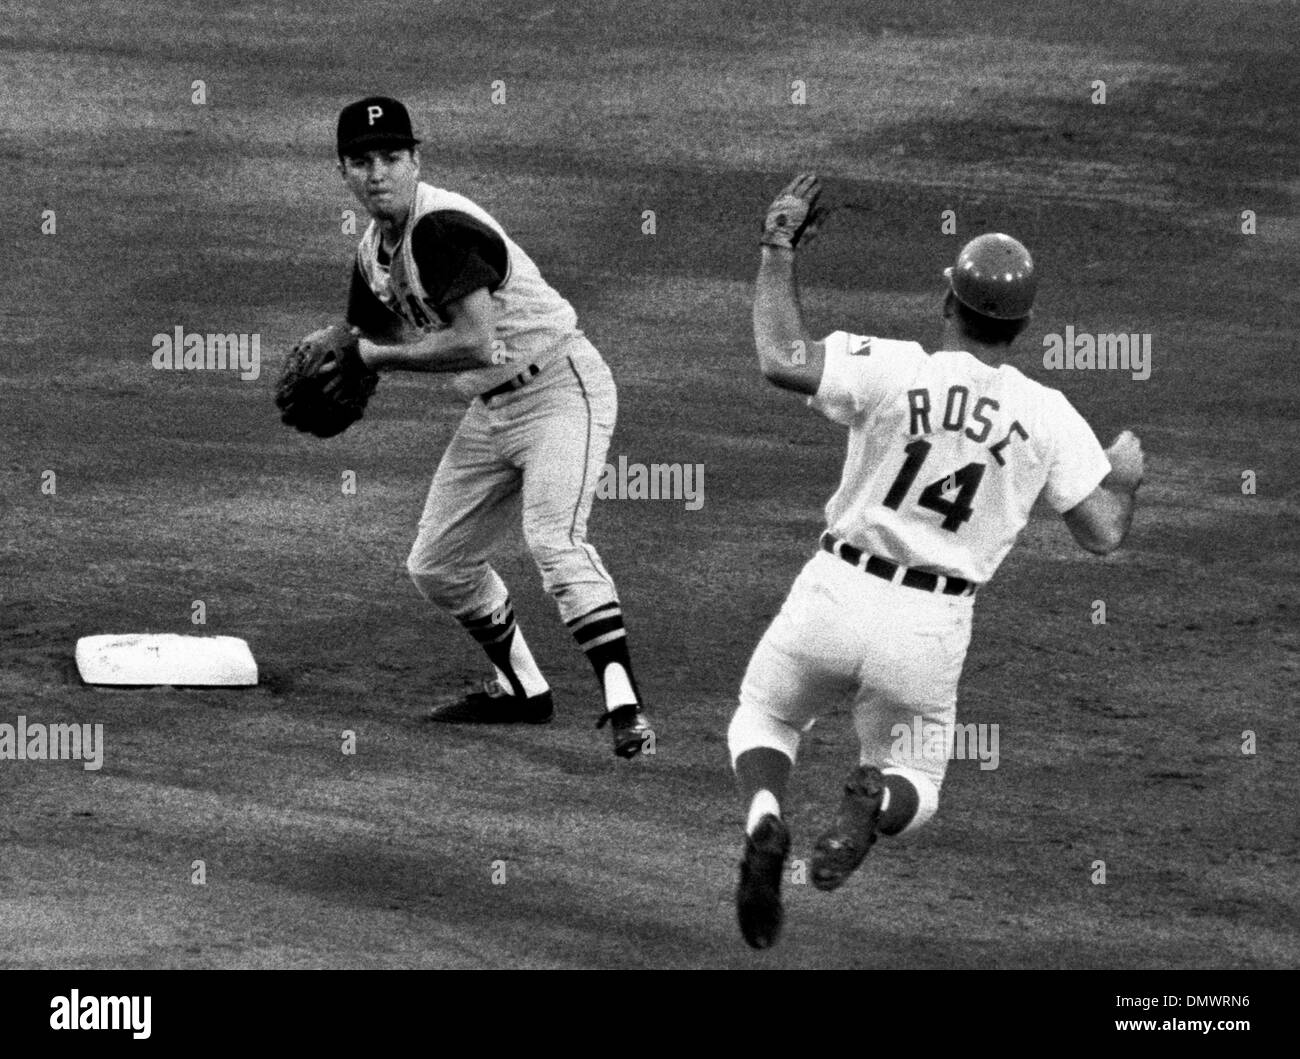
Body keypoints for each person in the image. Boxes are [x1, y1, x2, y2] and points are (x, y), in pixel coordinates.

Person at [730, 174, 1145, 948]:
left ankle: (763, 818)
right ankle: (870, 802)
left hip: (834, 589)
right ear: (1021, 325)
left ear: (946, 301)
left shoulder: (894, 367)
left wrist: (777, 248)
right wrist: (1125, 472)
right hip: (930, 624)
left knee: (767, 713)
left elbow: (780, 359)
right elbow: (1103, 532)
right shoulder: (1049, 416)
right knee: (916, 782)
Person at [334, 96, 652, 758]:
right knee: (437, 564)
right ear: (344, 171)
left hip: (564, 388)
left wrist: (372, 358)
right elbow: (365, 336)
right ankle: (523, 691)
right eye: (362, 161)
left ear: (416, 161)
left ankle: (624, 703)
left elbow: (477, 343)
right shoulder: (372, 252)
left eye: (392, 157)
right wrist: (335, 361)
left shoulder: (440, 227)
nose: (377, 173)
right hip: (493, 410)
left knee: (554, 539)